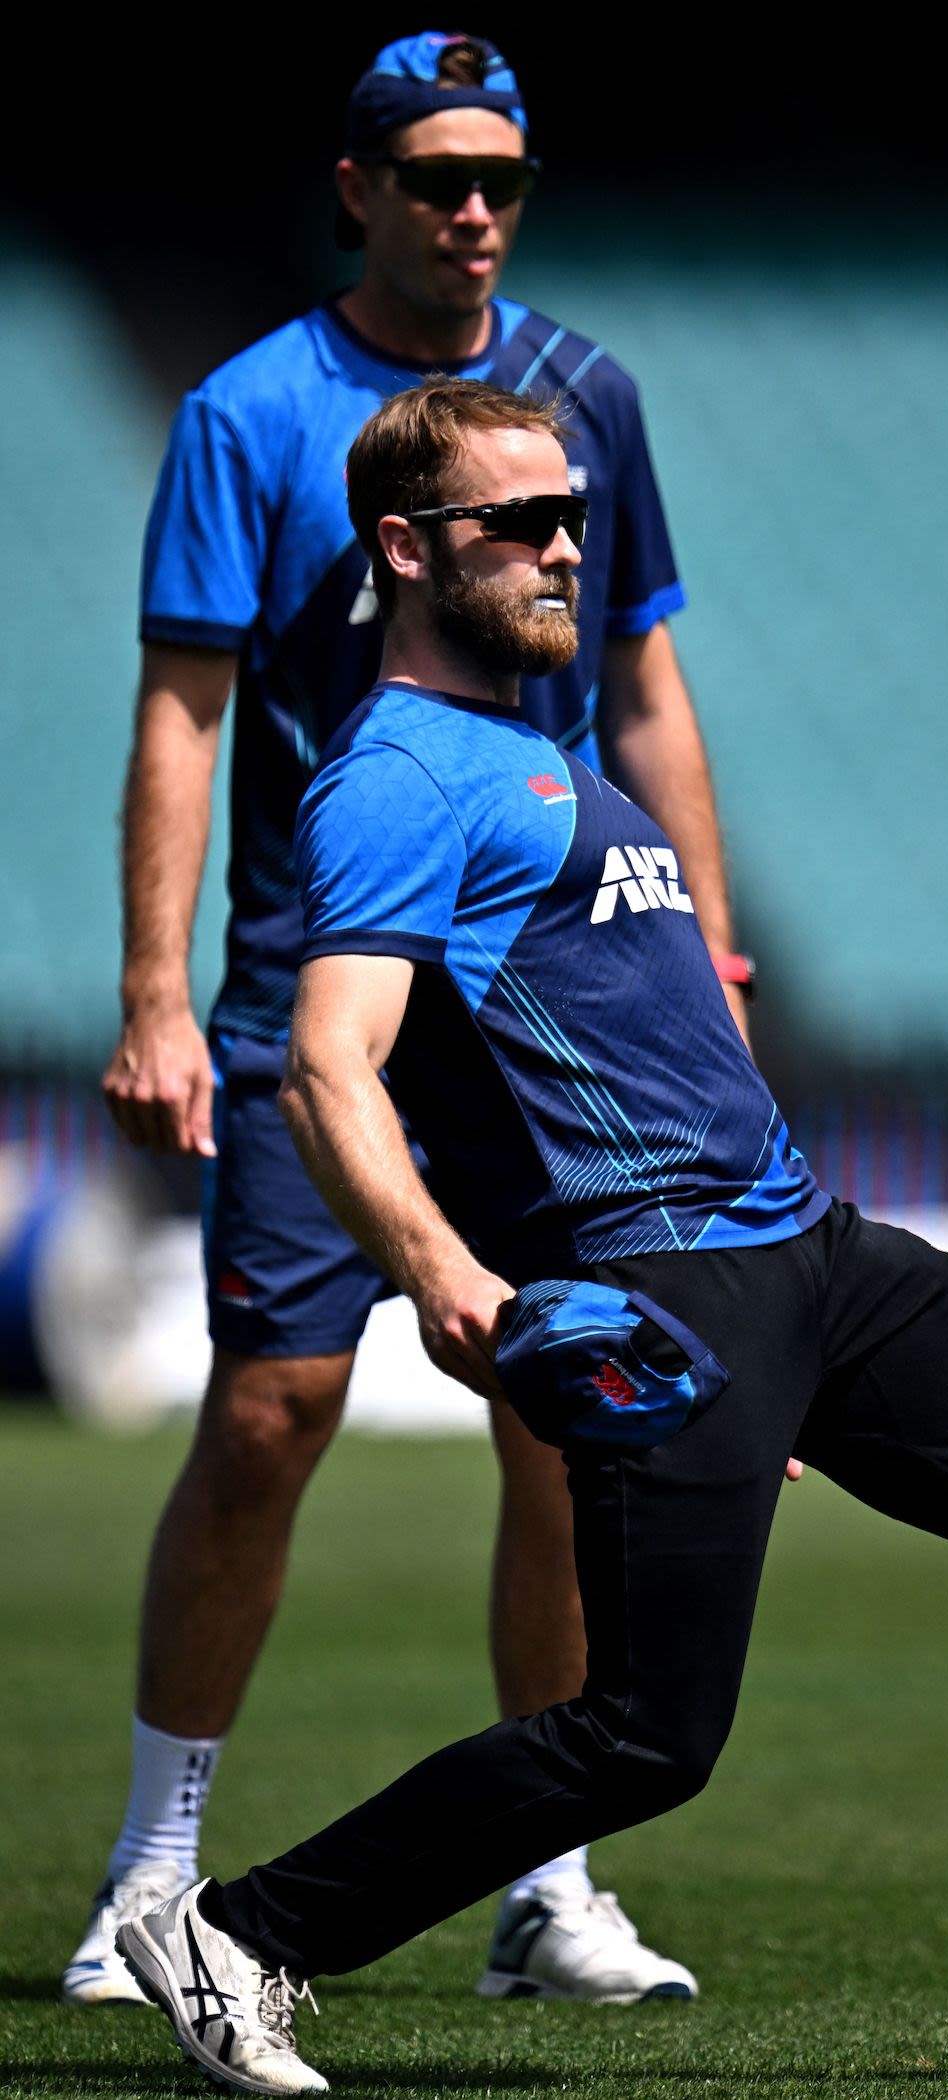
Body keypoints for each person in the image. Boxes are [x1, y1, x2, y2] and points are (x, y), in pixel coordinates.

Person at [115, 377, 948, 2097]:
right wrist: (450, 1279)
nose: (569, 546)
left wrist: (797, 1361)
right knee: (648, 1736)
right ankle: (239, 1935)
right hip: (668, 1284)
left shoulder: (542, 752)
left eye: (575, 516)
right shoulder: (396, 778)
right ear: (409, 551)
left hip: (818, 1259)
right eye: (523, 523)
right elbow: (328, 1070)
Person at [69, 28, 747, 2009]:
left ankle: (552, 1891)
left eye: (503, 179)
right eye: (435, 173)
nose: (473, 210)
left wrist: (693, 945)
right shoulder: (247, 413)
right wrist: (153, 995)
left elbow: (642, 686)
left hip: (542, 1001)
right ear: (353, 185)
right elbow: (184, 713)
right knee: (274, 1410)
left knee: (564, 1420)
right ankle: (150, 1874)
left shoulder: (582, 397)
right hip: (320, 981)